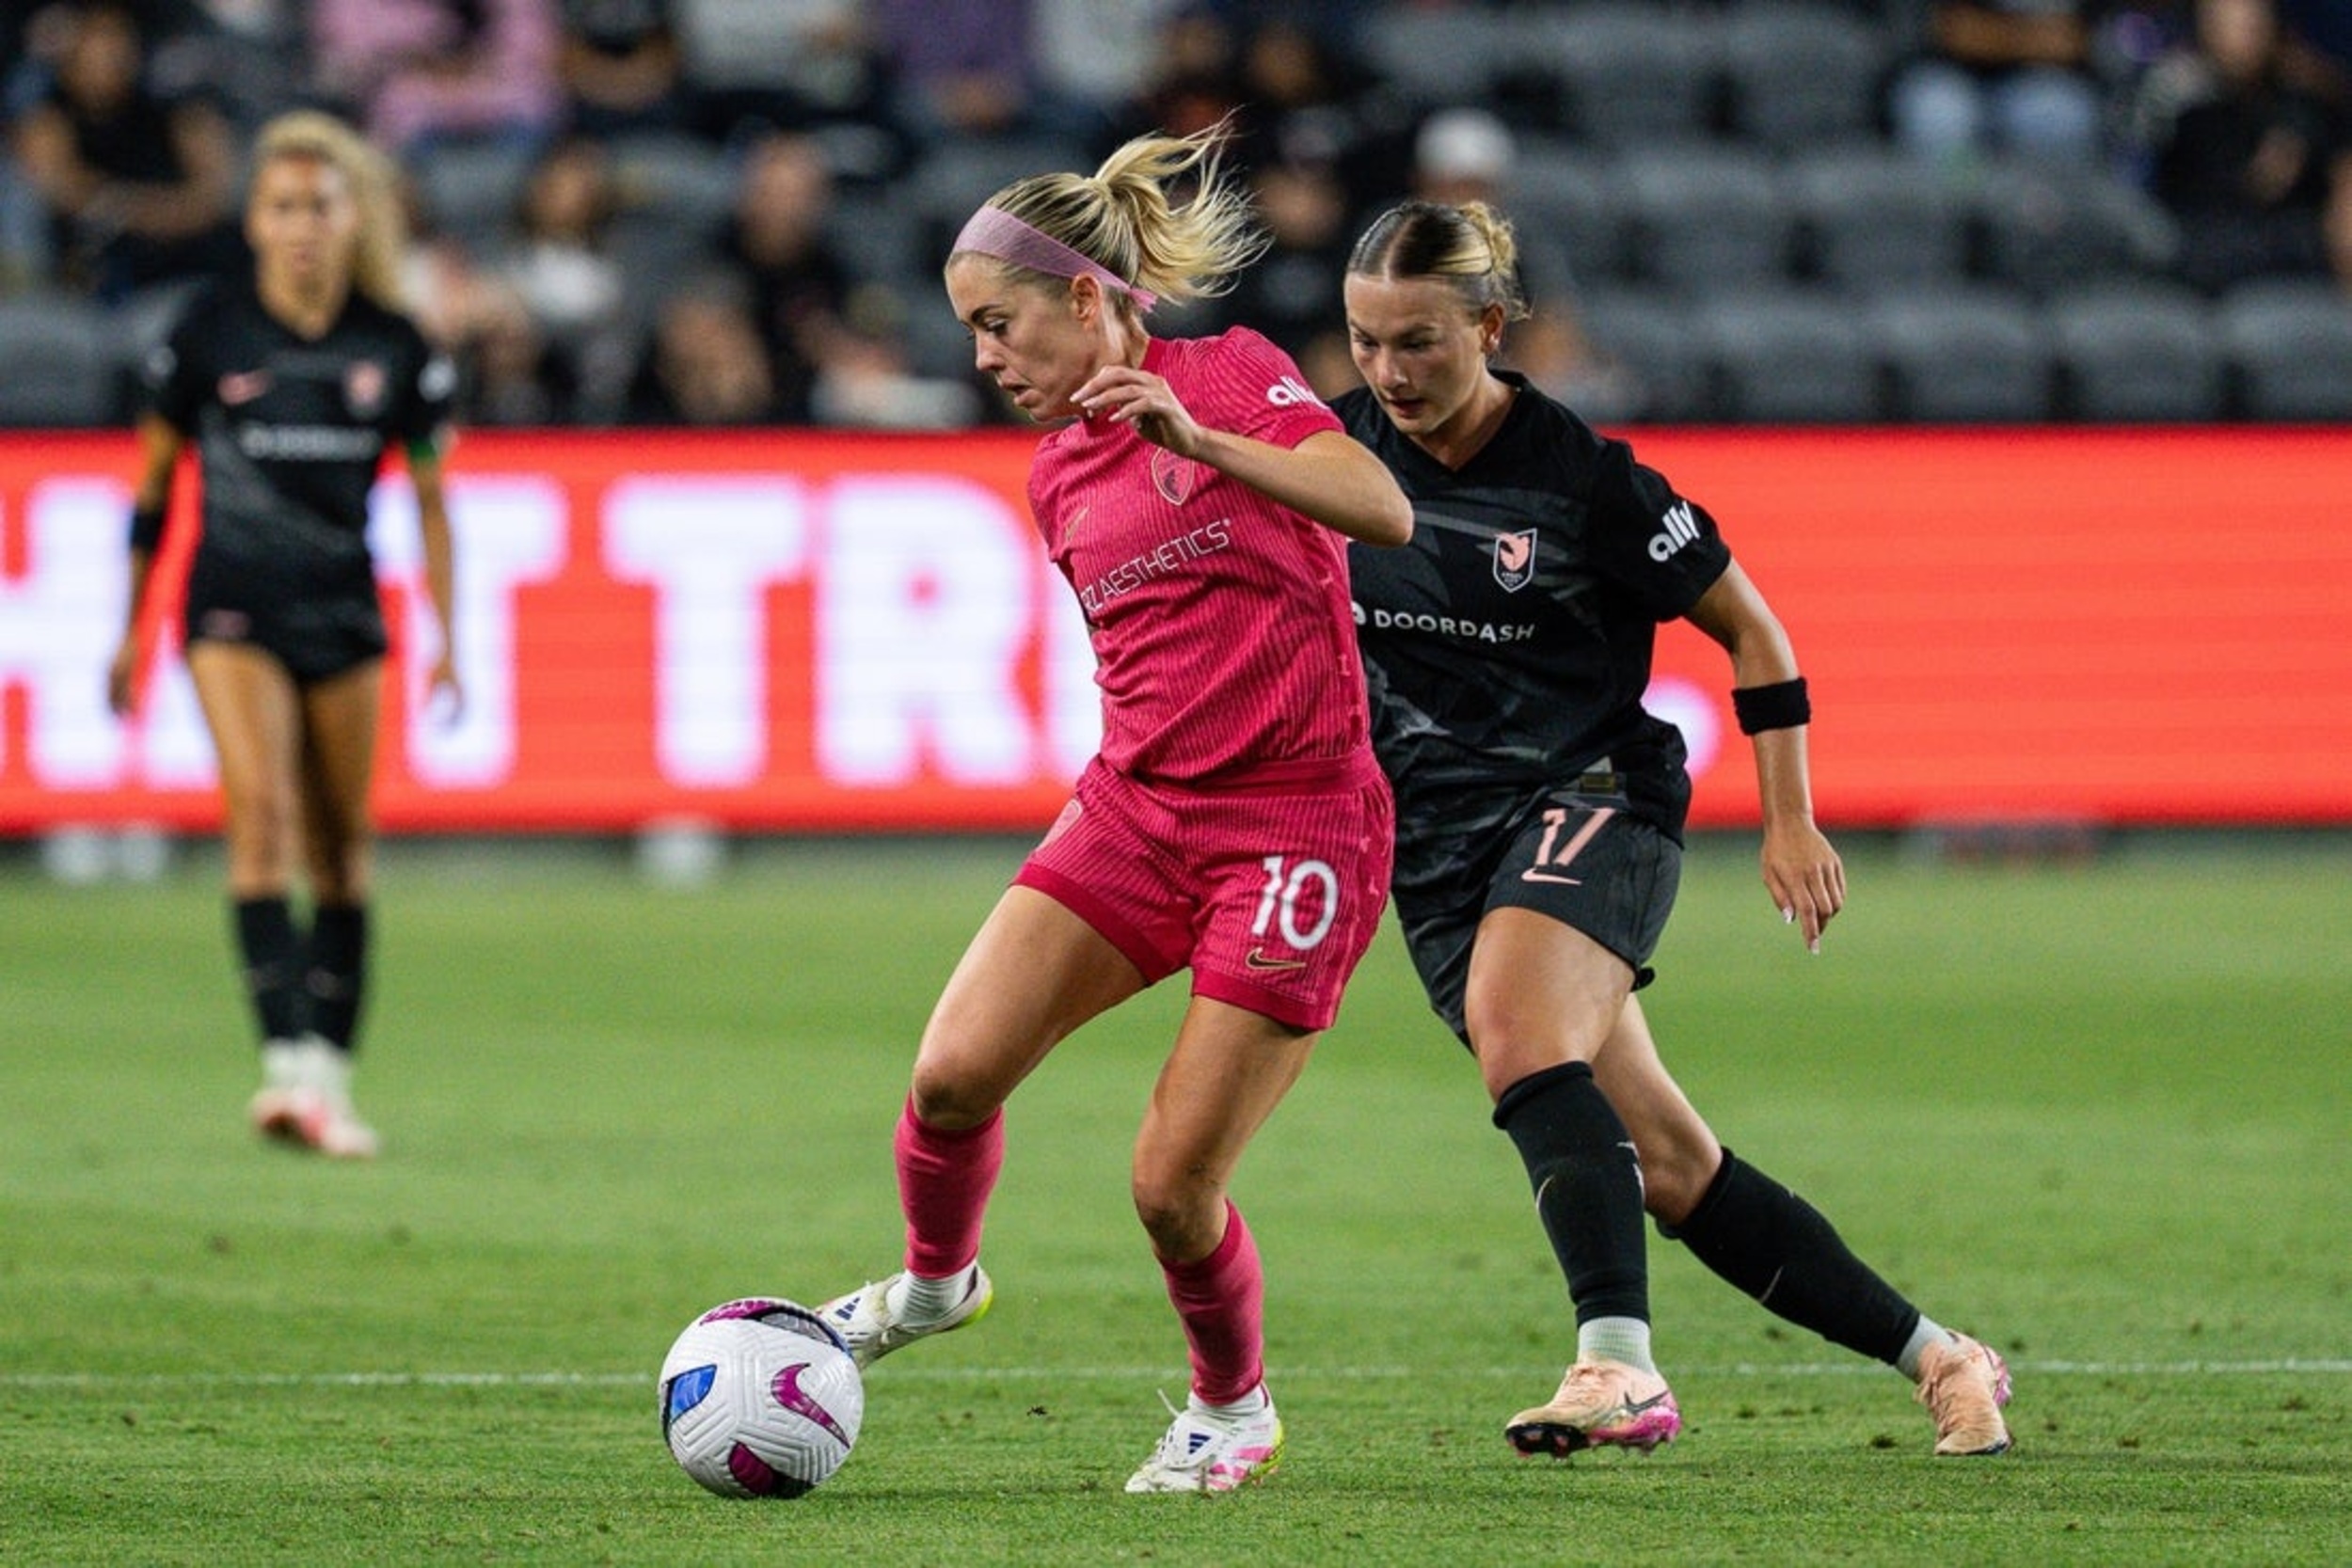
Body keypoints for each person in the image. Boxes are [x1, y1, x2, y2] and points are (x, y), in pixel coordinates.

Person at [1333, 198, 2014, 1460]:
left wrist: (1790, 817)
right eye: (1366, 341)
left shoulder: (1587, 480)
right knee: (1668, 1160)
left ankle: (1617, 1360)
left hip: (1595, 797)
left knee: (1518, 1026)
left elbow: (1754, 631)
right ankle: (1942, 1354)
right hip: (1432, 850)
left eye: (1418, 340)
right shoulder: (1339, 459)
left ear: (1489, 324)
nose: (1388, 372)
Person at [814, 122, 1413, 1494]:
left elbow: (1378, 507)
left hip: (1296, 825)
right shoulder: (1055, 472)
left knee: (1168, 1181)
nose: (983, 357)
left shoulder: (1236, 374)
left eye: (999, 322)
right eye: (971, 330)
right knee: (952, 1073)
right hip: (1140, 811)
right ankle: (931, 1283)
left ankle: (1232, 1406)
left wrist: (1200, 437)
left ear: (1087, 298)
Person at [105, 109, 461, 1158]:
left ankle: (333, 1081)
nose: (302, 224)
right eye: (282, 206)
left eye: (320, 204)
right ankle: (287, 1068)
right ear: (254, 223)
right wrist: (129, 627)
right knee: (256, 811)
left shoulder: (394, 346)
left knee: (341, 850)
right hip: (229, 606)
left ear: (354, 220)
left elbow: (435, 501)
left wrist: (449, 630)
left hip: (344, 609)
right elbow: (154, 485)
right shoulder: (208, 330)